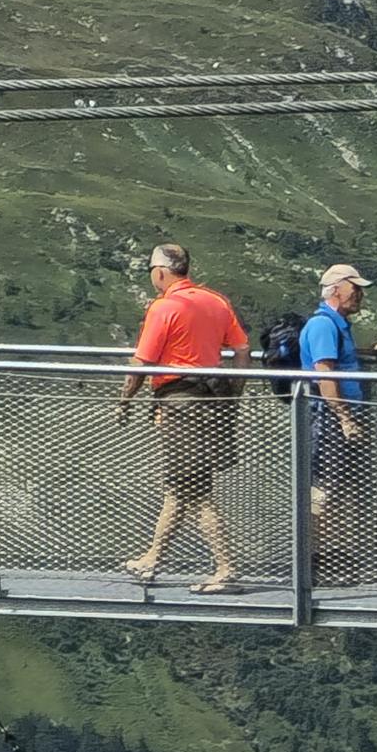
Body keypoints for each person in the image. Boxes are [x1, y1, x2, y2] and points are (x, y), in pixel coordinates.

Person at [125, 242, 259, 588]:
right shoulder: (215, 301)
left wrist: (125, 399)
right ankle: (152, 559)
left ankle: (225, 569)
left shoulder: (165, 307)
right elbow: (242, 349)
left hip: (181, 404)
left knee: (193, 490)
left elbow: (141, 363)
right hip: (215, 400)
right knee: (181, 486)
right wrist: (234, 393)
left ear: (160, 272)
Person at [291, 259, 377, 567]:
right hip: (330, 418)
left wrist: (374, 353)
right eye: (354, 288)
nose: (359, 295)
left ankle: (328, 551)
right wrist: (345, 418)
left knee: (339, 484)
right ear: (335, 290)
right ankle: (312, 556)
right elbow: (325, 373)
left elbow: (338, 361)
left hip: (338, 416)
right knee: (326, 484)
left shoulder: (336, 325)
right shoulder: (323, 325)